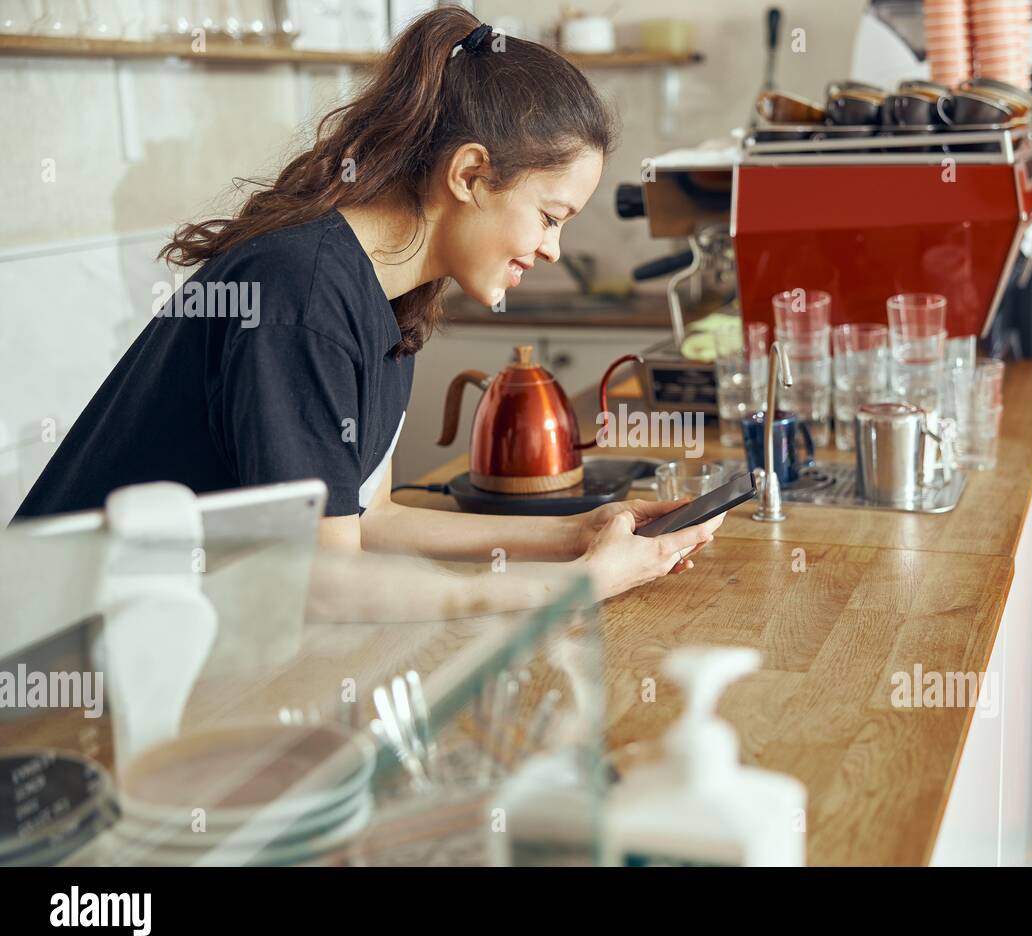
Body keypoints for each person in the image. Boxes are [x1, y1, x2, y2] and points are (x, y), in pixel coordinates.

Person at [12, 8, 723, 620]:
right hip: (57, 659)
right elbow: (324, 587)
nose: (551, 248)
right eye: (548, 216)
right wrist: (571, 590)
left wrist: (578, 532)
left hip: (160, 645)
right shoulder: (302, 293)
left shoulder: (389, 292)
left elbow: (364, 517)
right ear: (470, 174)